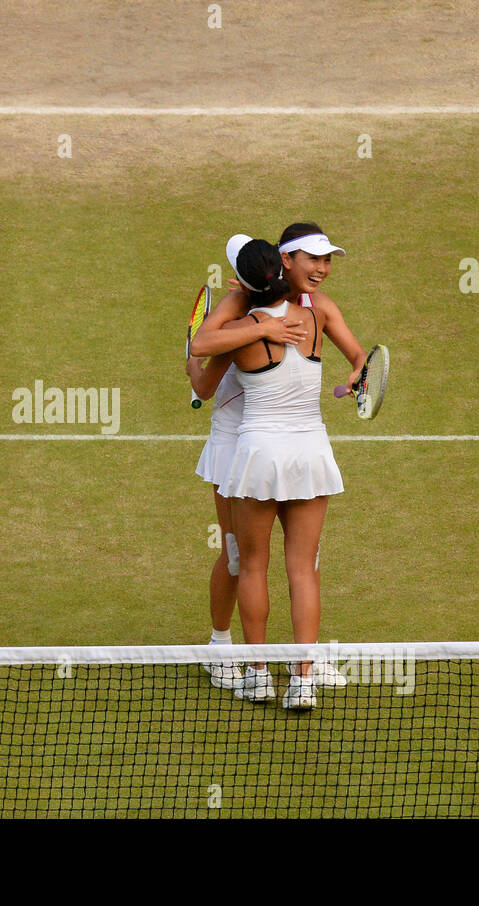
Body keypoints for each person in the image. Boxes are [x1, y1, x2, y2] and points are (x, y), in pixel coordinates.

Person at [195, 225, 369, 709]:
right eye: (314, 259)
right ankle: (304, 677)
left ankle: (256, 674)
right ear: (283, 265)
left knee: (251, 565)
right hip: (310, 452)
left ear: (246, 282)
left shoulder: (235, 328)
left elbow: (201, 357)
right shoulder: (315, 319)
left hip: (259, 454)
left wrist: (253, 326)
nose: (322, 268)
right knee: (304, 570)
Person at [185, 268, 307, 690]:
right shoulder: (236, 315)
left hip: (281, 449)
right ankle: (219, 647)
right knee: (238, 556)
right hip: (232, 449)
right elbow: (203, 374)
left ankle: (300, 663)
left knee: (305, 560)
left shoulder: (300, 304)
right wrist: (193, 366)